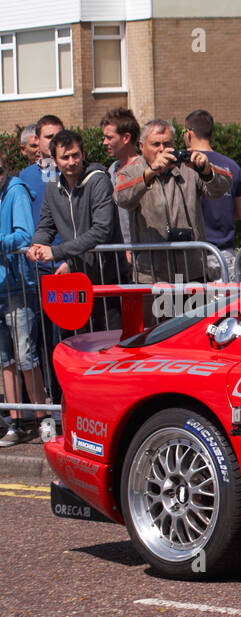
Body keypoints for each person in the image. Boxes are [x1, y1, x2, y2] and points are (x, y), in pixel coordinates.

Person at [26, 130, 118, 371]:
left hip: (107, 279)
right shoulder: (52, 187)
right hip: (76, 282)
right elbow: (46, 225)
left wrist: (57, 253)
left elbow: (102, 230)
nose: (71, 162)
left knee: (110, 352)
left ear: (83, 154)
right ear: (55, 160)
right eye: (64, 157)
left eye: (75, 155)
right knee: (79, 351)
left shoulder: (98, 179)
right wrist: (37, 244)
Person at [113, 119, 233, 284]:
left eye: (167, 143)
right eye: (155, 144)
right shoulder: (130, 171)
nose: (162, 149)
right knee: (154, 311)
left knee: (196, 311)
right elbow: (121, 197)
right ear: (141, 146)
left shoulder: (187, 167)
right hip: (151, 275)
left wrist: (206, 170)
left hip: (192, 271)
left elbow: (223, 186)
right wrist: (150, 173)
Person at [0, 155, 46, 447]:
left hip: (17, 285)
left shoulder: (15, 191)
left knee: (26, 356)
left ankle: (42, 420)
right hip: (2, 288)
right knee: (5, 359)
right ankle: (15, 422)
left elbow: (24, 236)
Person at [183, 110, 241, 280]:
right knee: (231, 305)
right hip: (226, 254)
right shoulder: (232, 166)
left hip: (195, 255)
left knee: (196, 306)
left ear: (189, 133)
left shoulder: (184, 166)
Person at [101, 108, 140, 252]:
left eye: (109, 137)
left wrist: (130, 247)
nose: (105, 142)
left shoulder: (144, 170)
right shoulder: (112, 169)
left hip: (143, 250)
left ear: (126, 138)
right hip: (120, 252)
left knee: (178, 276)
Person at [19, 116, 62, 224]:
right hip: (37, 239)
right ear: (37, 140)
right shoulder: (25, 176)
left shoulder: (73, 172)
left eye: (58, 136)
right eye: (49, 137)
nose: (54, 141)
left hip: (71, 240)